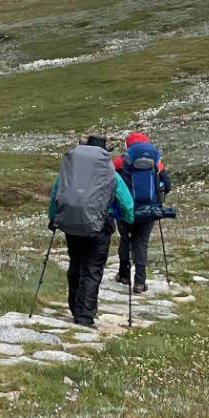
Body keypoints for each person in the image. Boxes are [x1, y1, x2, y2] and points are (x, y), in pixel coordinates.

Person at [47, 135, 135, 327]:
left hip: (72, 226)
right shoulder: (110, 173)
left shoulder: (70, 172)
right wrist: (129, 220)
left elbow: (56, 194)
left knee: (76, 264)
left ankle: (74, 307)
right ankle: (85, 316)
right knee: (92, 269)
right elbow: (127, 202)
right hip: (100, 227)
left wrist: (53, 217)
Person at [113, 132, 173, 293]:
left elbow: (111, 182)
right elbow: (167, 184)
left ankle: (124, 275)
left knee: (125, 239)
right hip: (148, 210)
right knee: (141, 243)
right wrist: (158, 200)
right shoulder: (156, 161)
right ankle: (140, 281)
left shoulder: (121, 160)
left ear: (128, 145)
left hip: (125, 209)